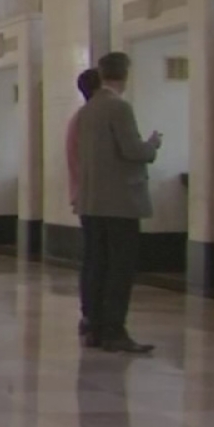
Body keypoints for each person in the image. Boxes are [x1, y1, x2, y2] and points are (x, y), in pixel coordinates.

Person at [76, 52, 162, 354]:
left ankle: (95, 327)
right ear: (124, 75)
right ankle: (115, 330)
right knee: (120, 268)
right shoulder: (118, 107)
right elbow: (131, 150)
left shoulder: (87, 110)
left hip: (92, 201)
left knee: (96, 265)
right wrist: (151, 146)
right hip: (119, 201)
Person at [67, 69, 102, 339]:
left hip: (87, 197)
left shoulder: (79, 119)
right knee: (98, 260)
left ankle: (91, 316)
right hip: (97, 200)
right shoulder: (88, 119)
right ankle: (94, 316)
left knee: (93, 258)